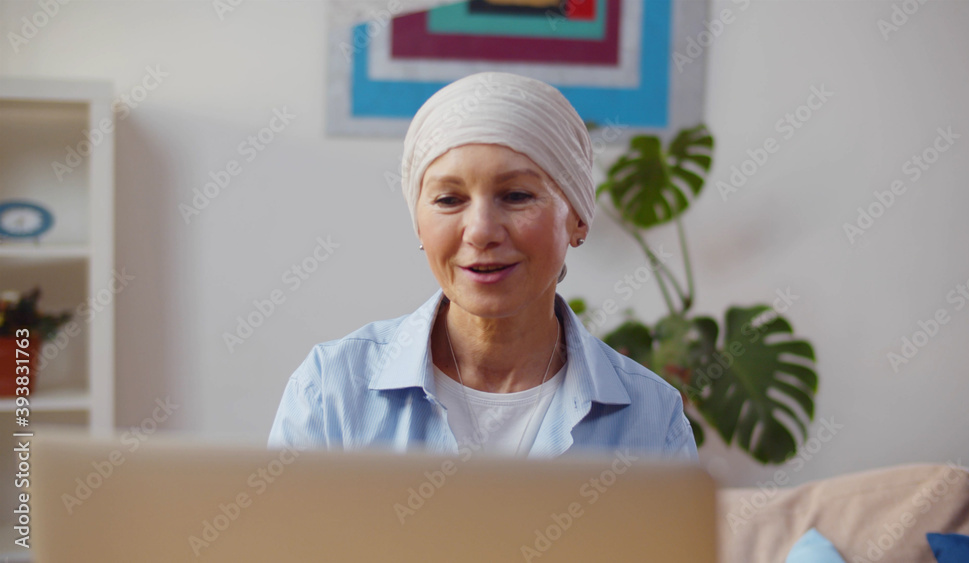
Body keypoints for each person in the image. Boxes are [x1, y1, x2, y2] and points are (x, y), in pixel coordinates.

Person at [268, 72, 697, 461]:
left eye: (516, 196)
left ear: (578, 219)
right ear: (418, 222)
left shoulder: (652, 418)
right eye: (449, 200)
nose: (481, 232)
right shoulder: (332, 391)